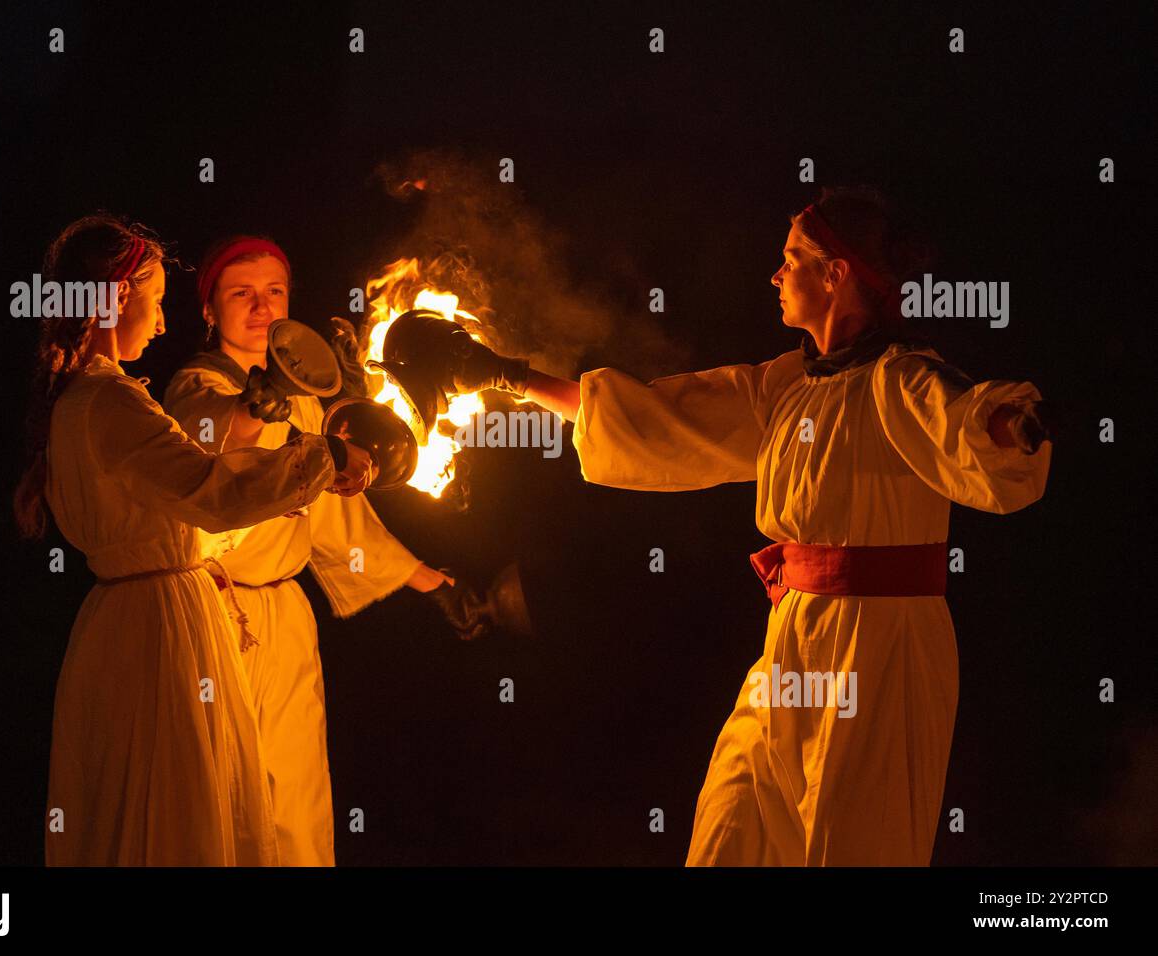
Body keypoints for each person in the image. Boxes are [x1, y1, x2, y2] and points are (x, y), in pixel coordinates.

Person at [445, 186, 1054, 865]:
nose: (775, 273)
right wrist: (502, 375)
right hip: (791, 640)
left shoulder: (898, 377)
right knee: (732, 833)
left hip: (879, 647)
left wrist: (1008, 425)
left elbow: (963, 420)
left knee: (852, 845)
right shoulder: (787, 386)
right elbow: (659, 420)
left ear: (836, 273)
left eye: (792, 258)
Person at [13, 214, 375, 866]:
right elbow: (208, 492)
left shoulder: (80, 399)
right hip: (161, 631)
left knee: (141, 807)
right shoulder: (111, 401)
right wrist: (325, 460)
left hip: (125, 625)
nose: (158, 324)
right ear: (114, 298)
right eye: (153, 301)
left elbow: (189, 503)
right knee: (175, 807)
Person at [163, 235, 482, 866]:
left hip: (282, 623)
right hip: (209, 623)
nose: (261, 306)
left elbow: (337, 520)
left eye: (275, 292)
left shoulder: (305, 400)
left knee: (296, 802)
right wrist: (259, 405)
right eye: (242, 293)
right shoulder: (196, 386)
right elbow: (209, 441)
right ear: (209, 309)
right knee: (216, 797)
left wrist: (433, 584)